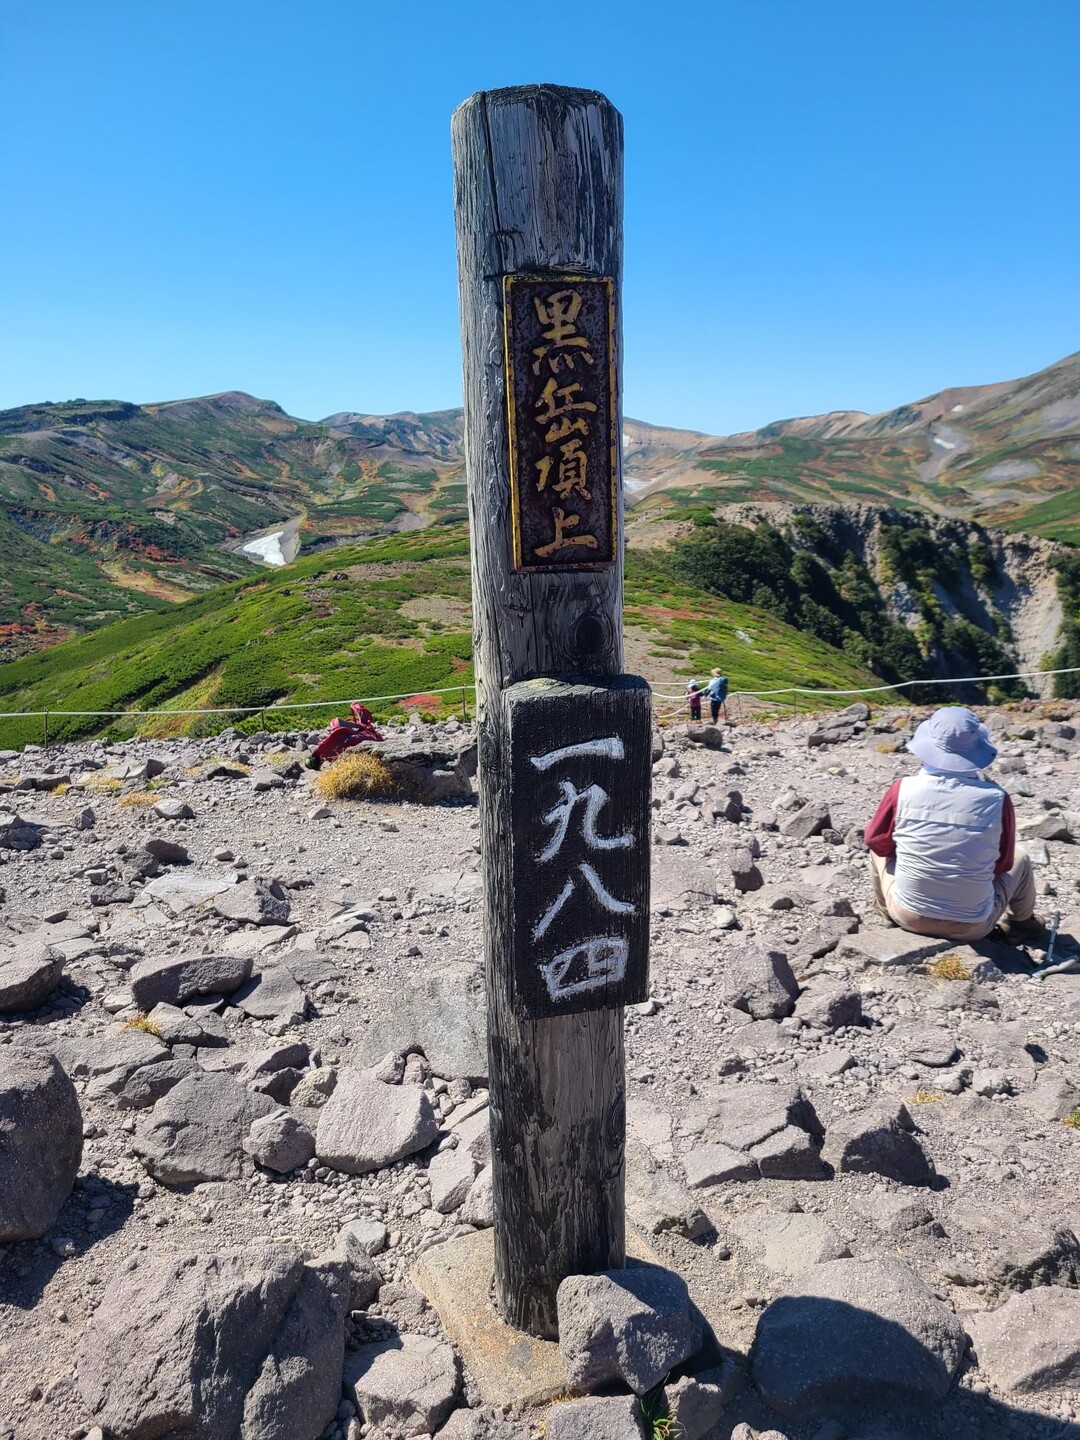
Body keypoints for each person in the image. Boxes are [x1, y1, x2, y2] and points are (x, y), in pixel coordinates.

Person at [865, 705, 1042, 944]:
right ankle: (1022, 924)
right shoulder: (998, 798)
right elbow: (1003, 864)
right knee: (1021, 859)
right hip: (974, 926)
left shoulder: (902, 788)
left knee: (878, 853)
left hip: (908, 916)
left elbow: (876, 841)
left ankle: (887, 913)